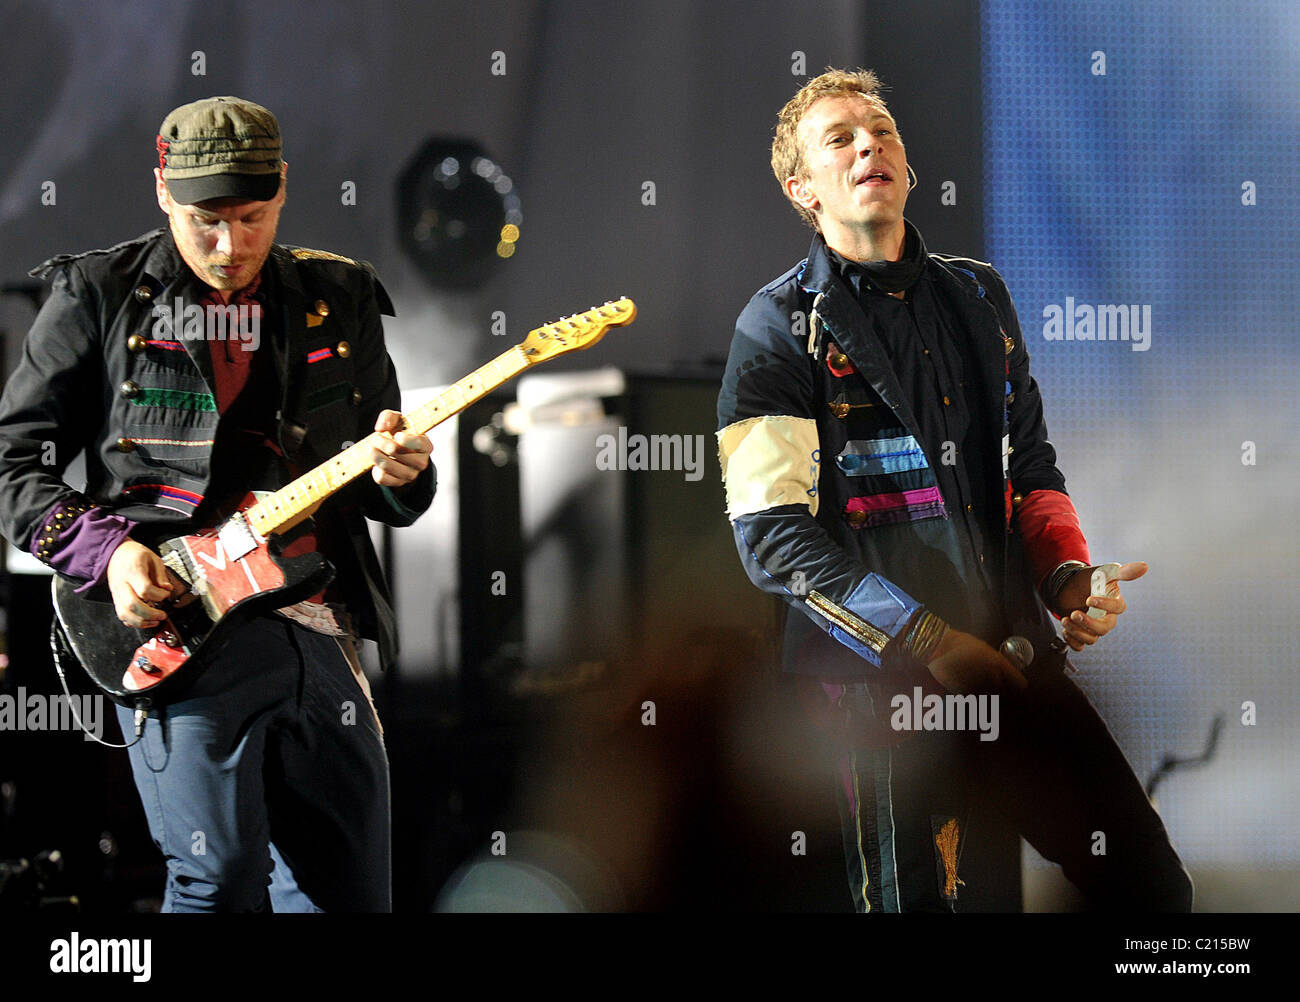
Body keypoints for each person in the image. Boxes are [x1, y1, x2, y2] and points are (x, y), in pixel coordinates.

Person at [716, 69, 1192, 912]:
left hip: (1012, 663)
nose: (872, 144)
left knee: (1150, 889)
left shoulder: (980, 293)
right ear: (802, 190)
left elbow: (1032, 472)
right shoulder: (775, 327)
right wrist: (930, 640)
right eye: (841, 138)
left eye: (885, 130)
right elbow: (772, 538)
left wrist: (1066, 581)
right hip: (873, 696)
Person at [0, 96, 435, 911]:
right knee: (220, 882)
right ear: (163, 191)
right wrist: (108, 552)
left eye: (253, 216)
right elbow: (10, 462)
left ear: (282, 192)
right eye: (206, 220)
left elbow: (382, 477)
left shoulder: (339, 294)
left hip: (316, 617)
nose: (231, 245)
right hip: (184, 623)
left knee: (351, 893)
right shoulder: (98, 294)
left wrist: (403, 473)